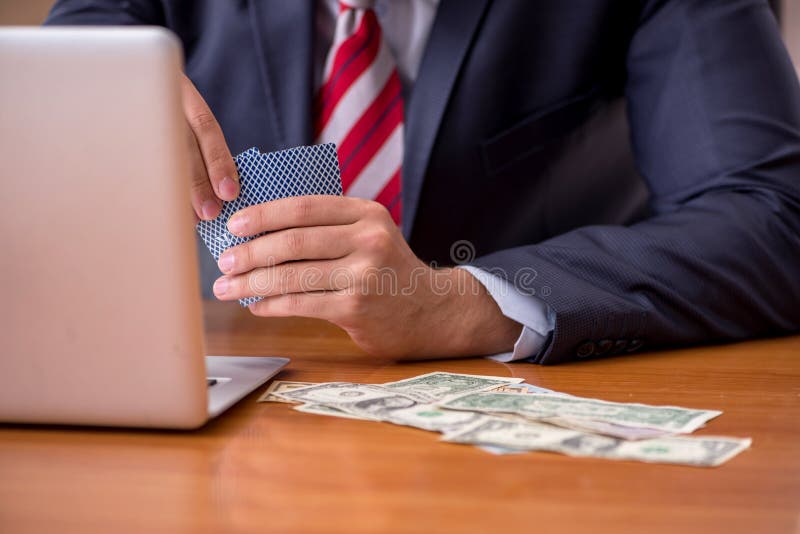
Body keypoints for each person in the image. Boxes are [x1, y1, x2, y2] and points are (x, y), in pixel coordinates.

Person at [45, 1, 800, 364]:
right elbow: (74, 50)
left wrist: (460, 305)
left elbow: (773, 219)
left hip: (534, 429)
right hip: (234, 403)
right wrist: (88, 90)